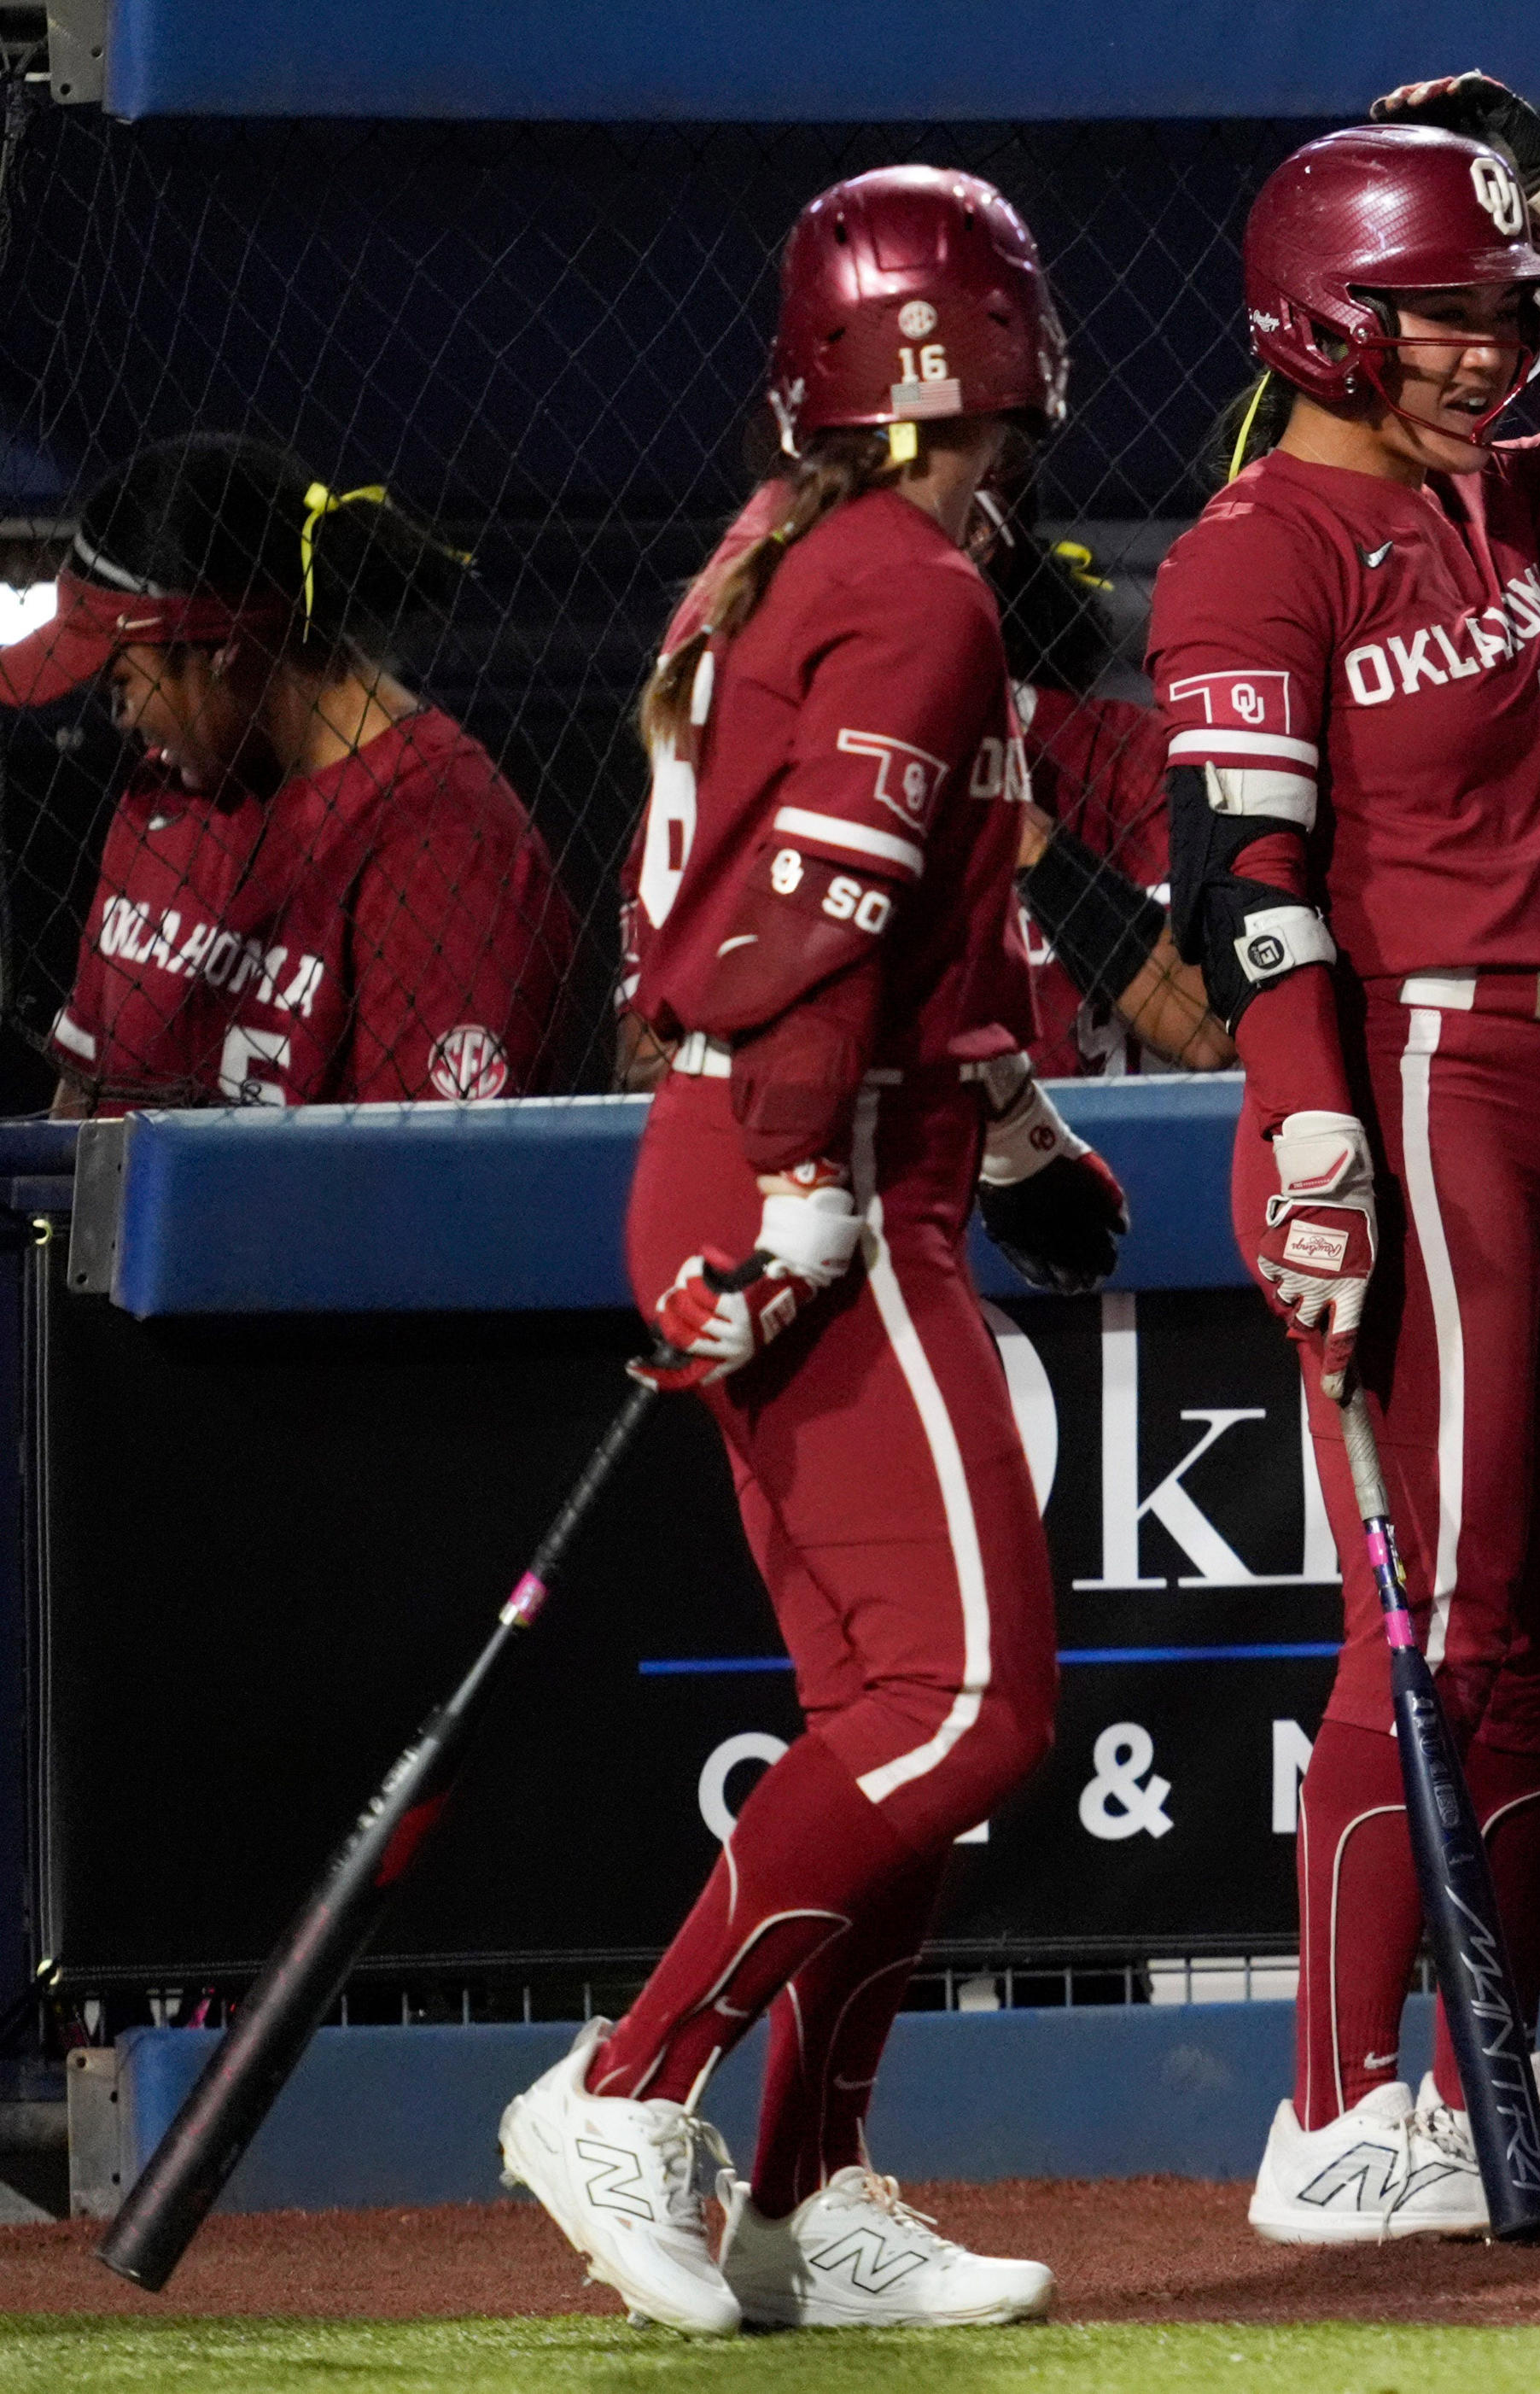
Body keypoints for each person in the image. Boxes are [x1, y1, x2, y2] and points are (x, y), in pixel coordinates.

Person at [496, 165, 1126, 2336]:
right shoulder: (912, 583)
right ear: (998, 353)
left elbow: (876, 895)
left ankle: (803, 2188)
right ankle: (625, 2080)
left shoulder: (801, 555)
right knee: (961, 1707)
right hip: (809, 1151)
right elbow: (823, 912)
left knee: (885, 1714)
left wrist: (1010, 1115)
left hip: (831, 1138)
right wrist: (806, 1178)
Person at [1152, 73, 1540, 2241]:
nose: (1483, 347)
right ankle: (1332, 2109)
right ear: (1321, 316)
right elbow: (1246, 871)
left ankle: (1482, 2058)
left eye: (1491, 312)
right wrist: (1307, 1115)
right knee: (1437, 1617)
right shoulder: (1257, 548)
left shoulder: (1472, 507)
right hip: (1408, 1078)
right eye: (1436, 312)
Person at [0, 435, 572, 1109]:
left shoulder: (448, 840)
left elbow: (437, 1187)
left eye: (120, 680)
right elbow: (86, 1098)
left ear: (222, 650)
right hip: (138, 1216)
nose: (120, 719)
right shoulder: (167, 797)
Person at [982, 519, 1231, 1075]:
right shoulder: (796, 755)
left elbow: (1202, 1028)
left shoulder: (1120, 753)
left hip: (1092, 1141)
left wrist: (1029, 842)